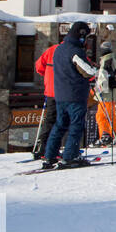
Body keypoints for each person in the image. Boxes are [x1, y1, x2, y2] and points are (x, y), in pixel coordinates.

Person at [42, 21, 99, 169]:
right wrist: (98, 71)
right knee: (76, 125)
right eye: (85, 36)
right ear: (81, 35)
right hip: (75, 94)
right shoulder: (75, 51)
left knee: (60, 125)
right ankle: (70, 156)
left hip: (59, 94)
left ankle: (49, 155)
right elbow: (87, 71)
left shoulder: (58, 49)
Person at [31, 40, 59, 164]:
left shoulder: (50, 50)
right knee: (61, 121)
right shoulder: (70, 51)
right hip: (62, 91)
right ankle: (50, 149)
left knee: (49, 120)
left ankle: (42, 146)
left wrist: (46, 75)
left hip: (49, 90)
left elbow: (39, 66)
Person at [92, 41, 116, 147]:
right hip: (111, 93)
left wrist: (98, 91)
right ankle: (115, 136)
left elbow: (103, 79)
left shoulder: (106, 61)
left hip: (106, 95)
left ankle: (106, 137)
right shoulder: (112, 60)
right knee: (110, 115)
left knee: (101, 116)